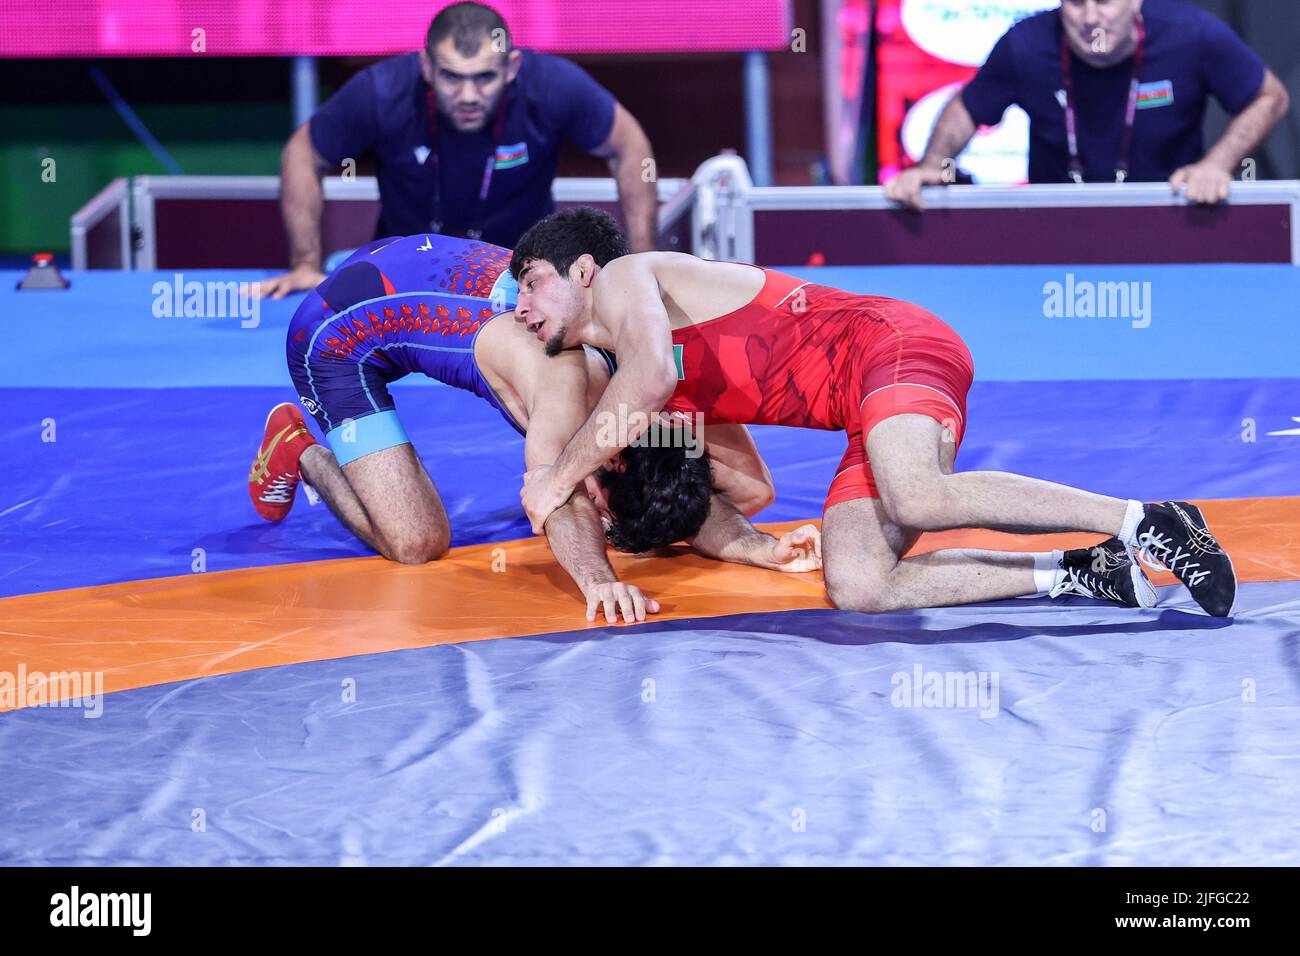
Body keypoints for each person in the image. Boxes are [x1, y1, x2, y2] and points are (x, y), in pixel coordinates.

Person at [510, 207, 1238, 617]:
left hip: (891, 345)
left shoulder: (630, 279)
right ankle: (1080, 570)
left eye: (533, 283)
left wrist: (556, 476)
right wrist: (673, 505)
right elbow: (752, 488)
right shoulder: (663, 378)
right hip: (866, 410)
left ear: (583, 271)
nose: (521, 305)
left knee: (914, 490)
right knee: (860, 584)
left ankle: (1148, 521)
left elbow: (640, 379)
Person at [247, 228, 820, 624]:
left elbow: (751, 489)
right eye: (606, 507)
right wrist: (599, 580)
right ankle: (300, 449)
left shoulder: (660, 374)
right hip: (338, 328)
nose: (599, 513)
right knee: (417, 542)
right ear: (611, 459)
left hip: (415, 260)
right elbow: (558, 495)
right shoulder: (561, 379)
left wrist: (757, 547)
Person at [258, 2, 658, 299]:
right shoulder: (381, 91)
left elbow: (631, 148)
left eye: (485, 77)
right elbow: (302, 153)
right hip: (403, 279)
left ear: (511, 67)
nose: (468, 95)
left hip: (527, 277)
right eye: (451, 77)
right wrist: (306, 264)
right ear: (427, 68)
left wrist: (639, 264)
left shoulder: (552, 86)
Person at [886, 0, 1290, 208]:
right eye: (1077, 3)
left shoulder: (1192, 34)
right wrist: (932, 166)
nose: (1091, 18)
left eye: (1105, 2)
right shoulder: (1026, 43)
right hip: (1054, 230)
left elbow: (1269, 97)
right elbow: (967, 108)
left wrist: (1216, 166)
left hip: (1173, 220)